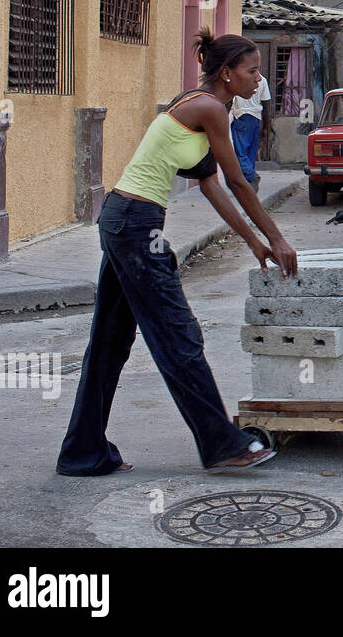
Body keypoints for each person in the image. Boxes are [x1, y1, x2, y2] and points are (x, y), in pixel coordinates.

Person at [56, 28, 299, 476]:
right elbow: (239, 181)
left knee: (110, 341)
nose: (258, 80)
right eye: (252, 71)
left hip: (123, 220)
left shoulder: (201, 103)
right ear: (227, 73)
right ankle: (222, 443)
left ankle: (82, 452)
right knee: (179, 333)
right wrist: (280, 239)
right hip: (134, 224)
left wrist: (254, 242)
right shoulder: (209, 109)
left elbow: (211, 186)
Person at [231, 73, 271, 191]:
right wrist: (266, 126)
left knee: (239, 153)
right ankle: (249, 186)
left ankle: (251, 176)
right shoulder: (262, 80)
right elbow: (266, 104)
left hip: (242, 117)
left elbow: (231, 100)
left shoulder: (239, 77)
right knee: (250, 155)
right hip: (256, 119)